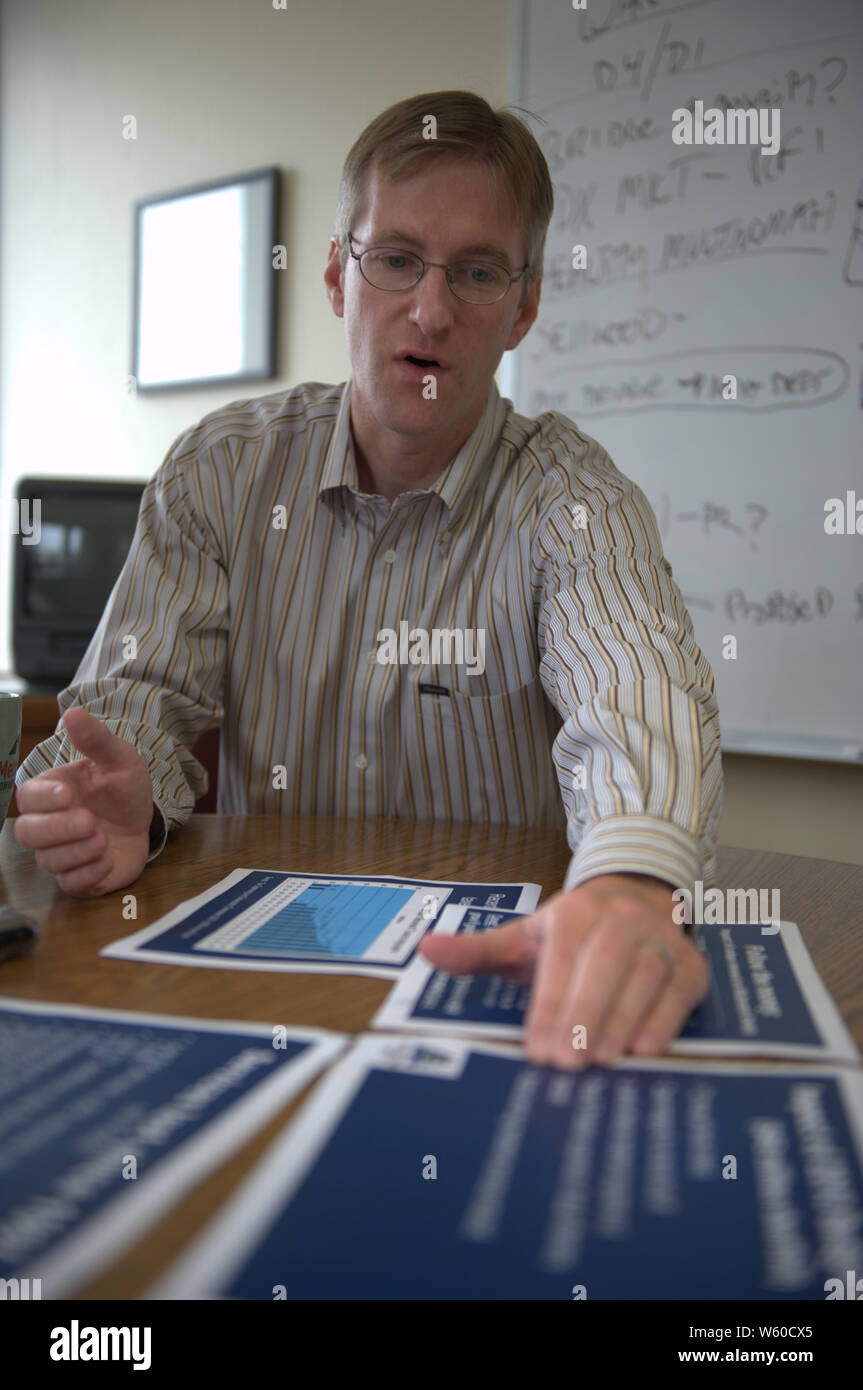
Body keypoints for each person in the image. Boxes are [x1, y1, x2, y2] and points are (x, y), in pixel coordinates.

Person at [14, 90, 721, 1070]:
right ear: (339, 277)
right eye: (394, 258)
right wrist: (114, 793)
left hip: (495, 987)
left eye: (476, 272)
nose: (429, 310)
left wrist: (635, 878)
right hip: (252, 984)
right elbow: (133, 708)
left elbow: (634, 698)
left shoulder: (574, 499)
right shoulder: (217, 471)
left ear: (522, 308)